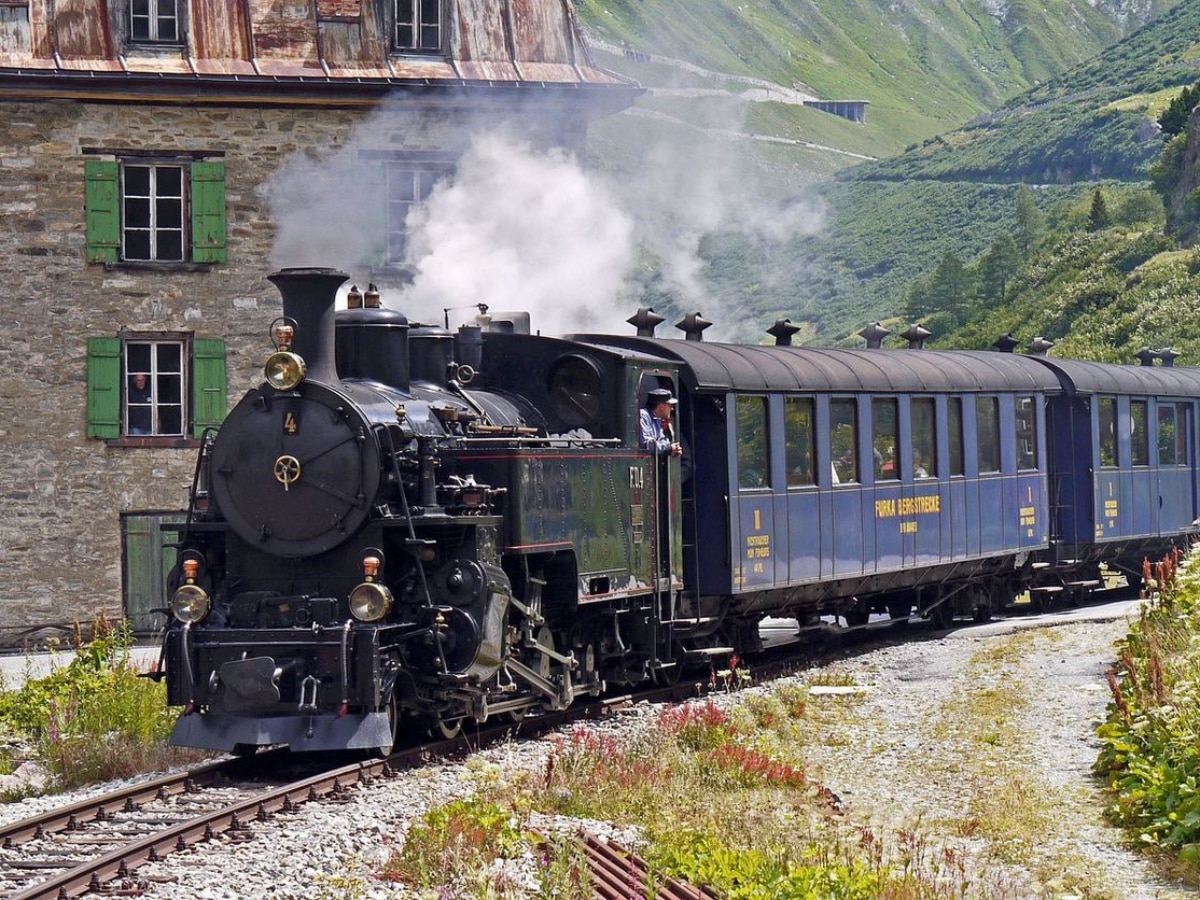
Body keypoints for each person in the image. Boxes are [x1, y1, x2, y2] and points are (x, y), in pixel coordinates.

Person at [639, 388, 682, 458]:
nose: (672, 409)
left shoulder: (658, 419)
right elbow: (646, 444)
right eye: (670, 405)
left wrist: (670, 448)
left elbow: (663, 440)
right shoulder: (643, 416)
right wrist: (669, 449)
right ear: (661, 406)